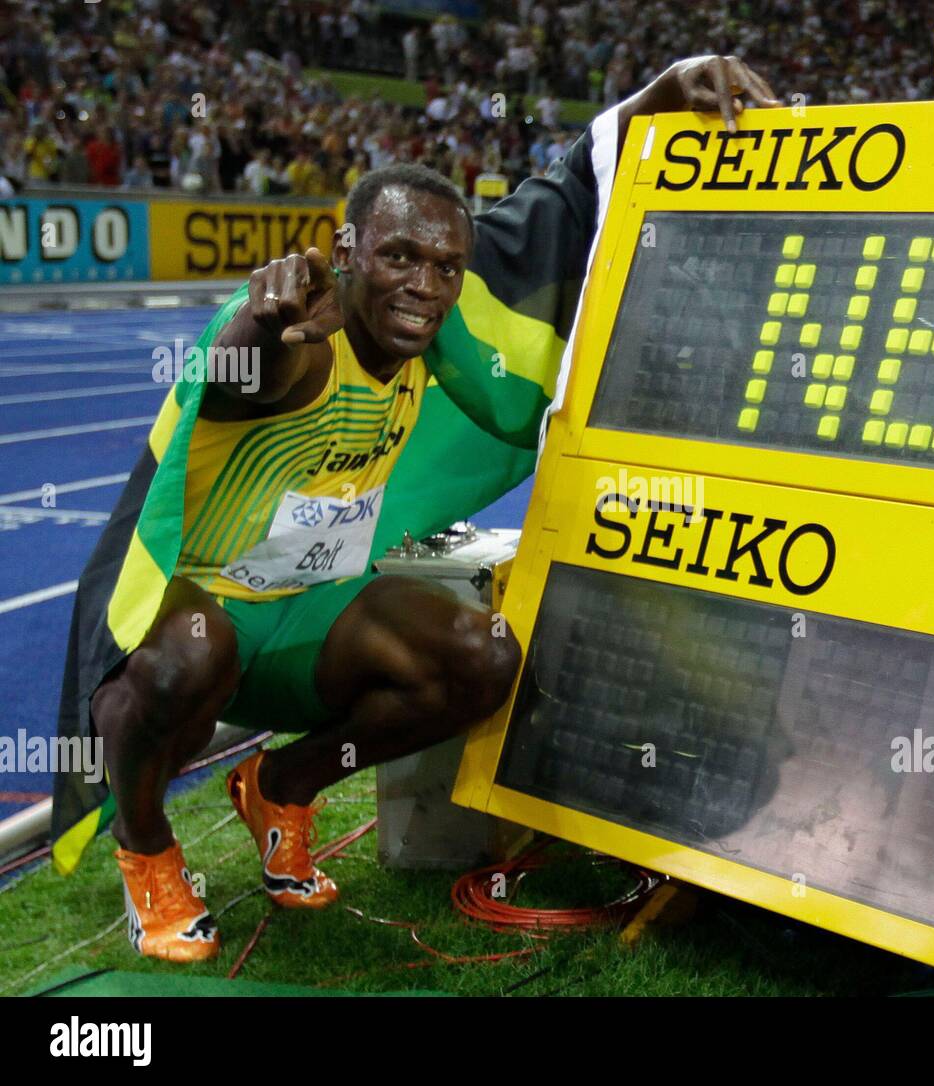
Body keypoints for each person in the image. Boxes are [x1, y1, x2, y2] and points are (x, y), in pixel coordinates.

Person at [51, 56, 780, 963]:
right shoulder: (303, 340)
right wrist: (260, 322)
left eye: (446, 266)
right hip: (194, 617)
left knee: (483, 657)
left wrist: (655, 96)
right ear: (345, 251)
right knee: (190, 655)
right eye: (399, 255)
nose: (426, 284)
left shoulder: (439, 332)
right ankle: (149, 849)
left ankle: (282, 784)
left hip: (307, 616)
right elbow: (248, 371)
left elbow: (547, 210)